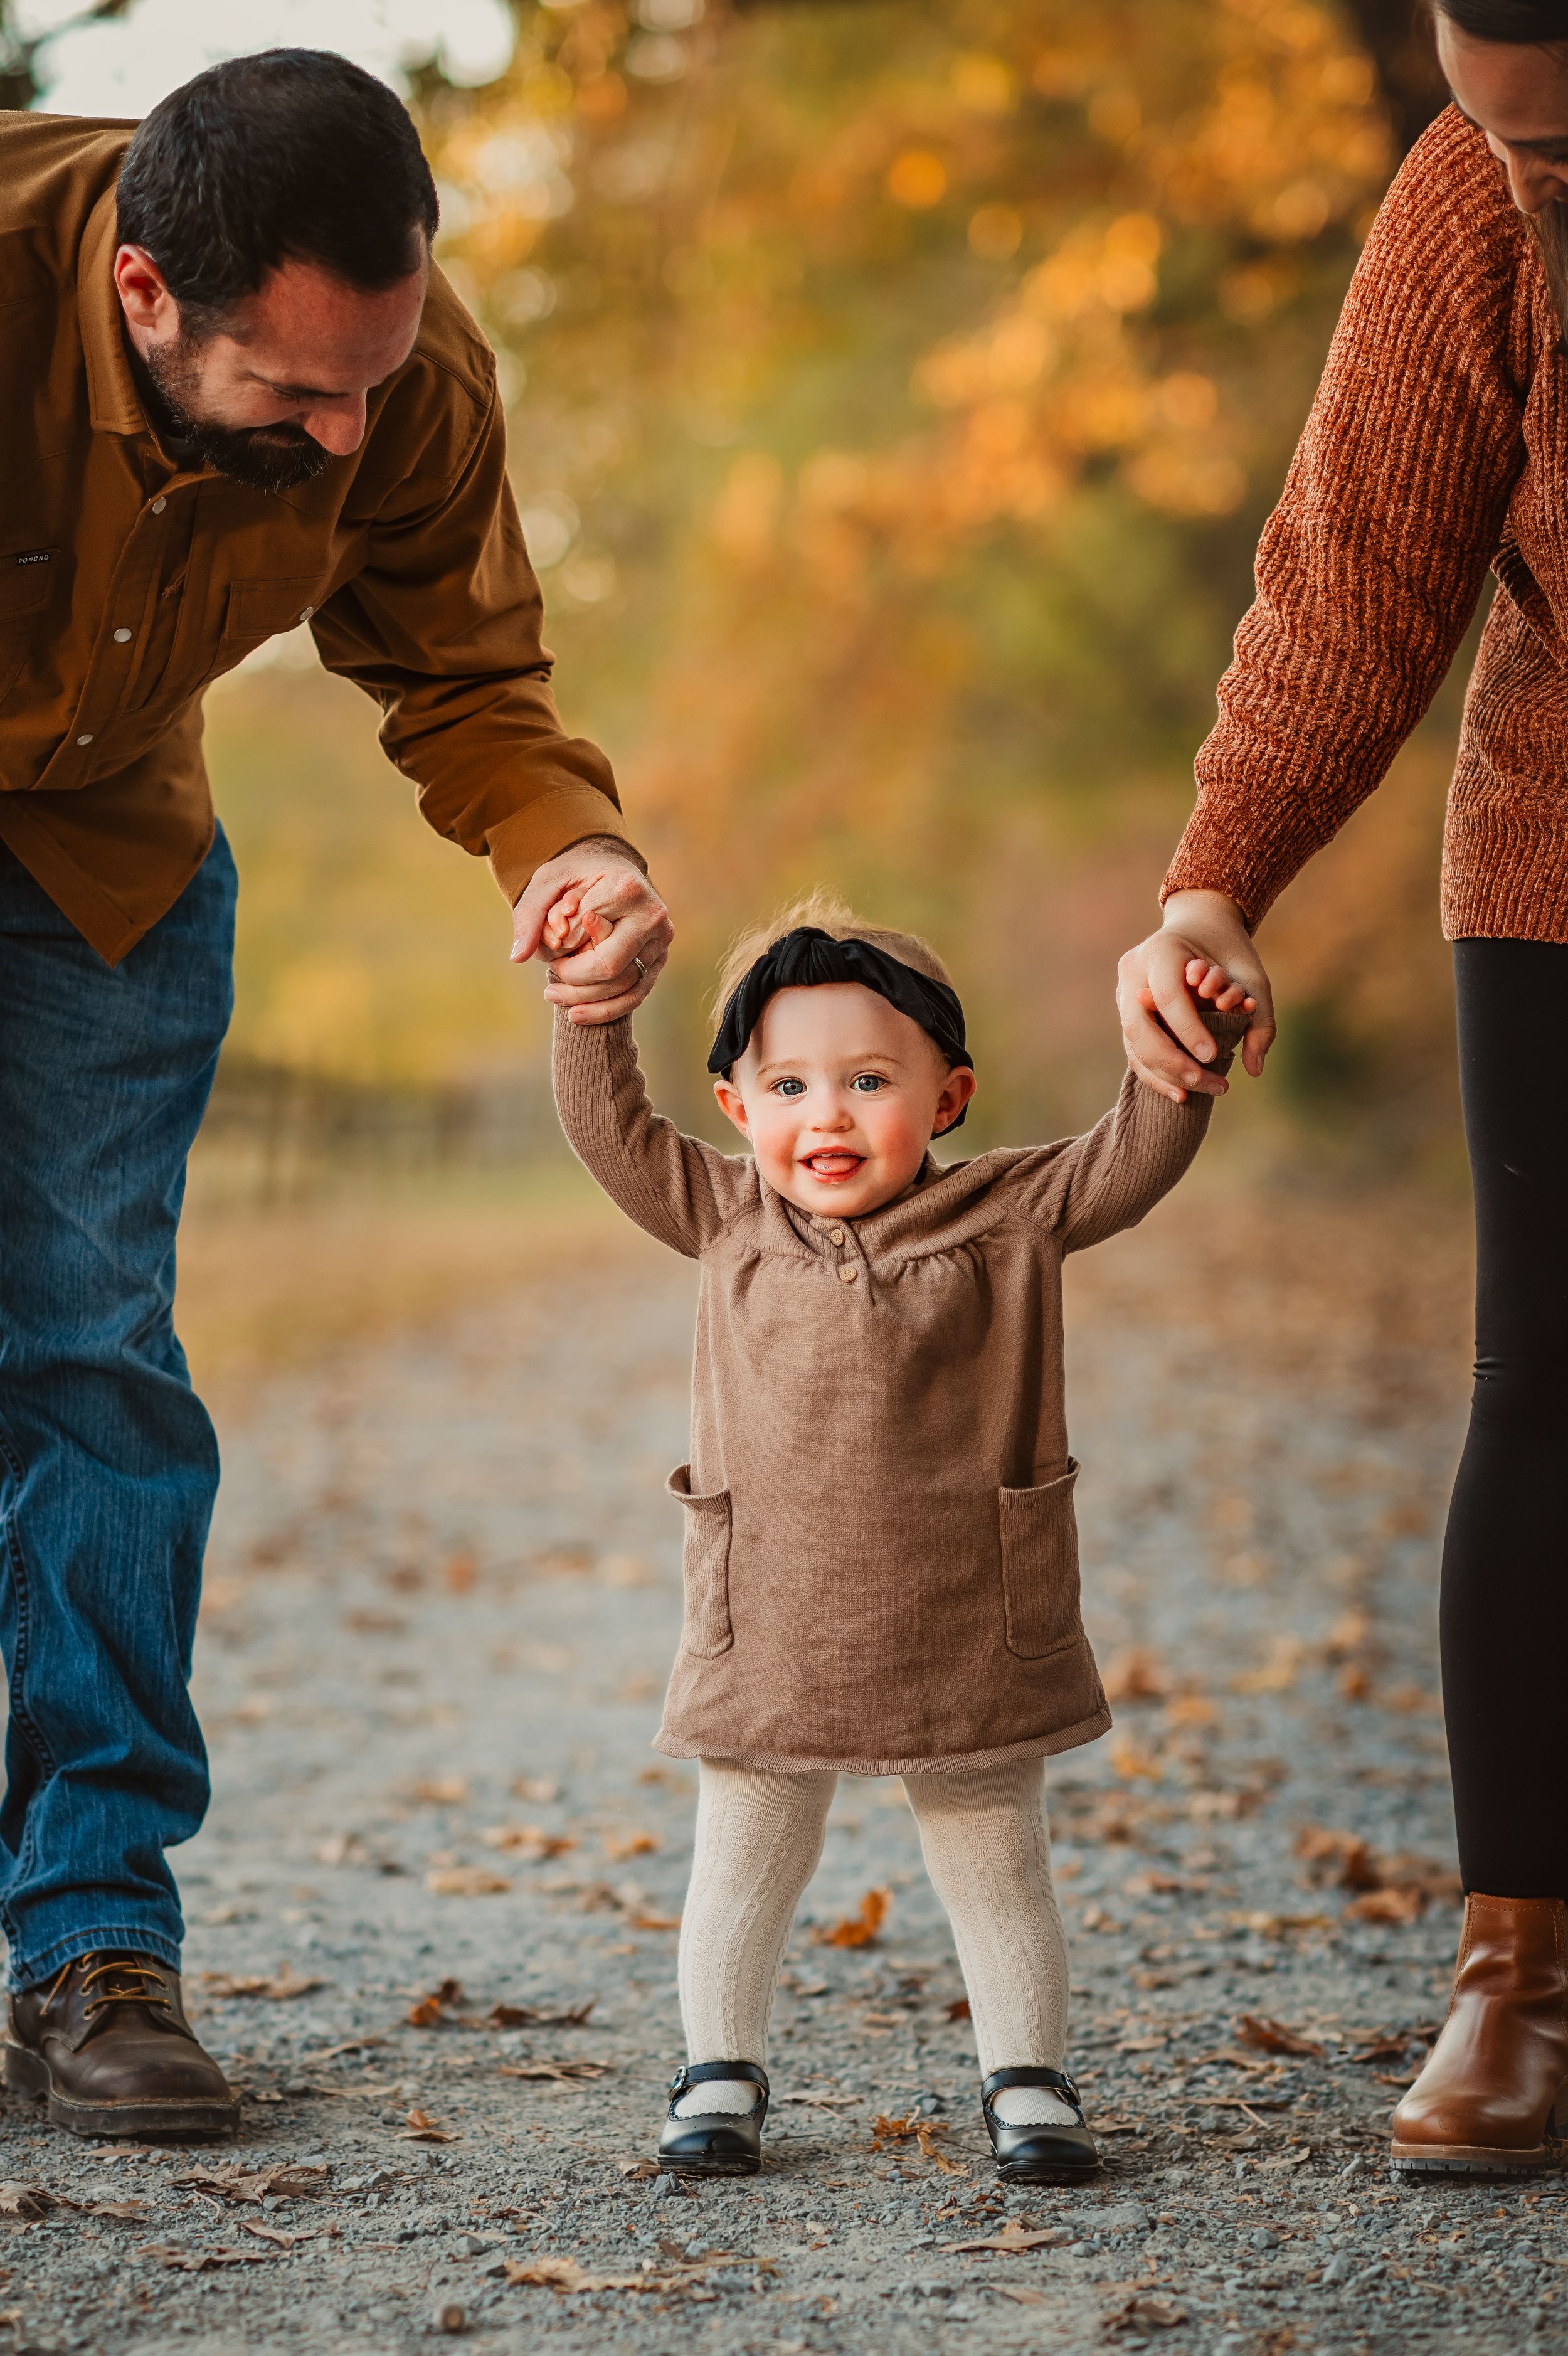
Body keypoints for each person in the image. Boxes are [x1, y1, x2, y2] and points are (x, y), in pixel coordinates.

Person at [0, 49, 670, 2140]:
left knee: (95, 1356)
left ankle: (89, 1936)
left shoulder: (405, 373)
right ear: (140, 294)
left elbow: (466, 671)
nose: (347, 431)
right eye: (297, 395)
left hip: (100, 862)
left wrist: (570, 845)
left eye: (370, 379)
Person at [1115, 0, 1568, 2178]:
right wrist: (1217, 881)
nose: (1537, 180)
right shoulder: (1470, 202)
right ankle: (1528, 1969)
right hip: (1565, 849)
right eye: (1509, 135)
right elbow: (1361, 563)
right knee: (1548, 1380)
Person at [546, 886, 1248, 2178]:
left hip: (968, 1611)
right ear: (738, 1109)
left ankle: (1027, 2081)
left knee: (994, 1862)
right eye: (791, 1086)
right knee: (744, 1855)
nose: (827, 1116)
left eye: (869, 1079)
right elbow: (607, 1132)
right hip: (768, 1610)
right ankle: (717, 2071)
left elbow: (1132, 1155)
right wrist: (592, 1011)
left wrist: (1180, 1047)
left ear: (948, 1096)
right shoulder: (722, 1215)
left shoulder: (1008, 1215)